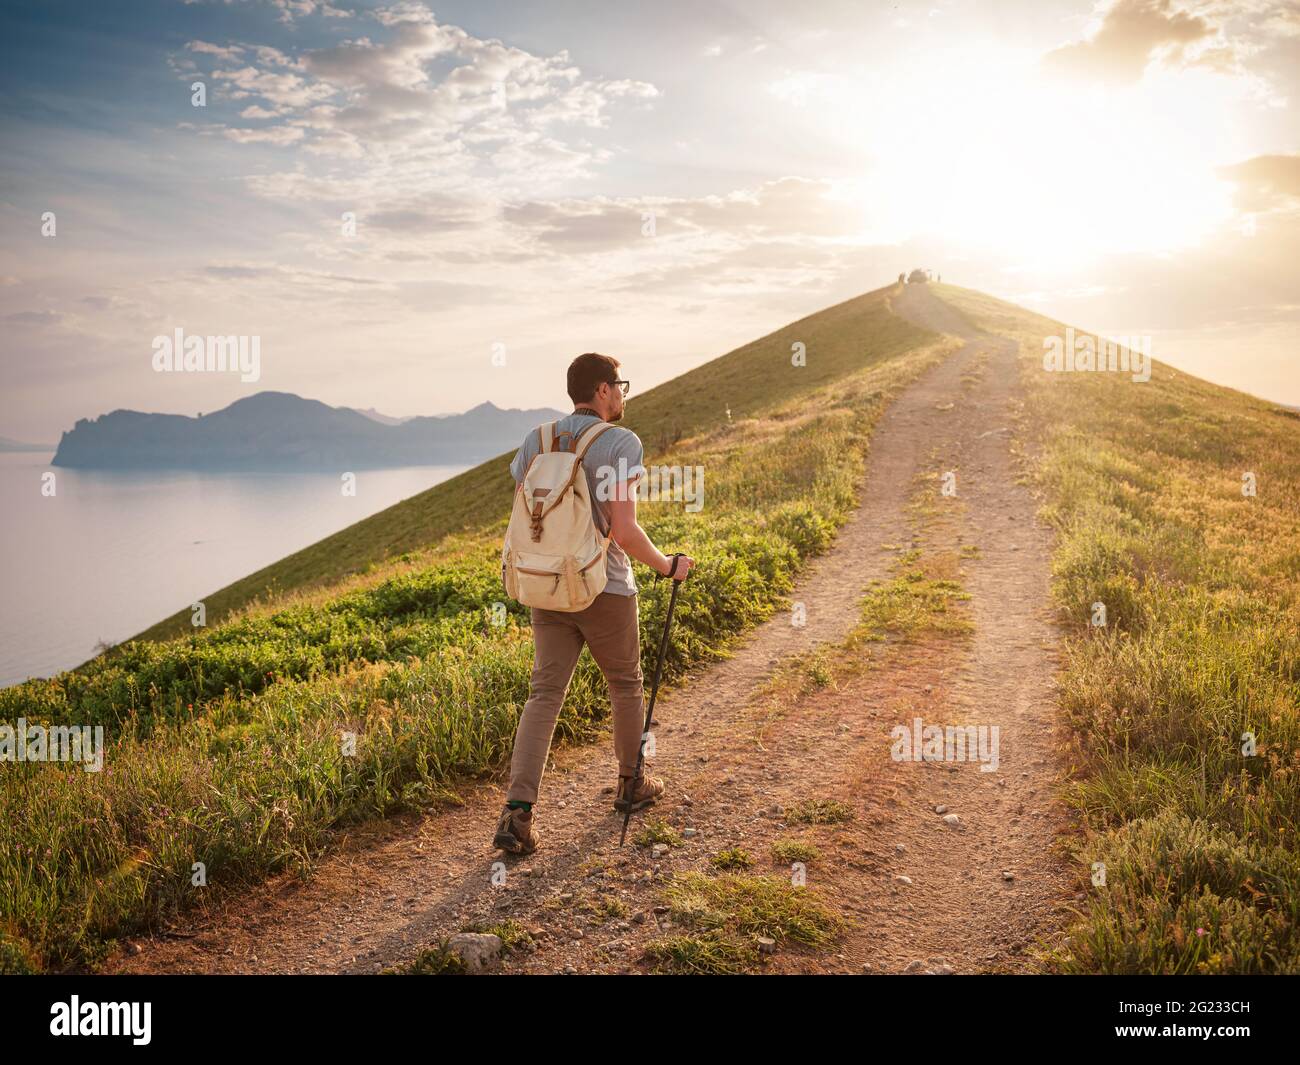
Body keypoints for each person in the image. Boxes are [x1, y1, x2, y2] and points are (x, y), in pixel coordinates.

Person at [493, 352, 695, 854]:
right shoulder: (620, 442)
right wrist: (668, 565)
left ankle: (517, 816)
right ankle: (631, 785)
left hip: (548, 587)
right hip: (602, 586)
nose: (622, 394)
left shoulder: (535, 441)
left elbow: (532, 516)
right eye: (619, 385)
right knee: (625, 683)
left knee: (544, 694)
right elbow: (623, 531)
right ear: (602, 390)